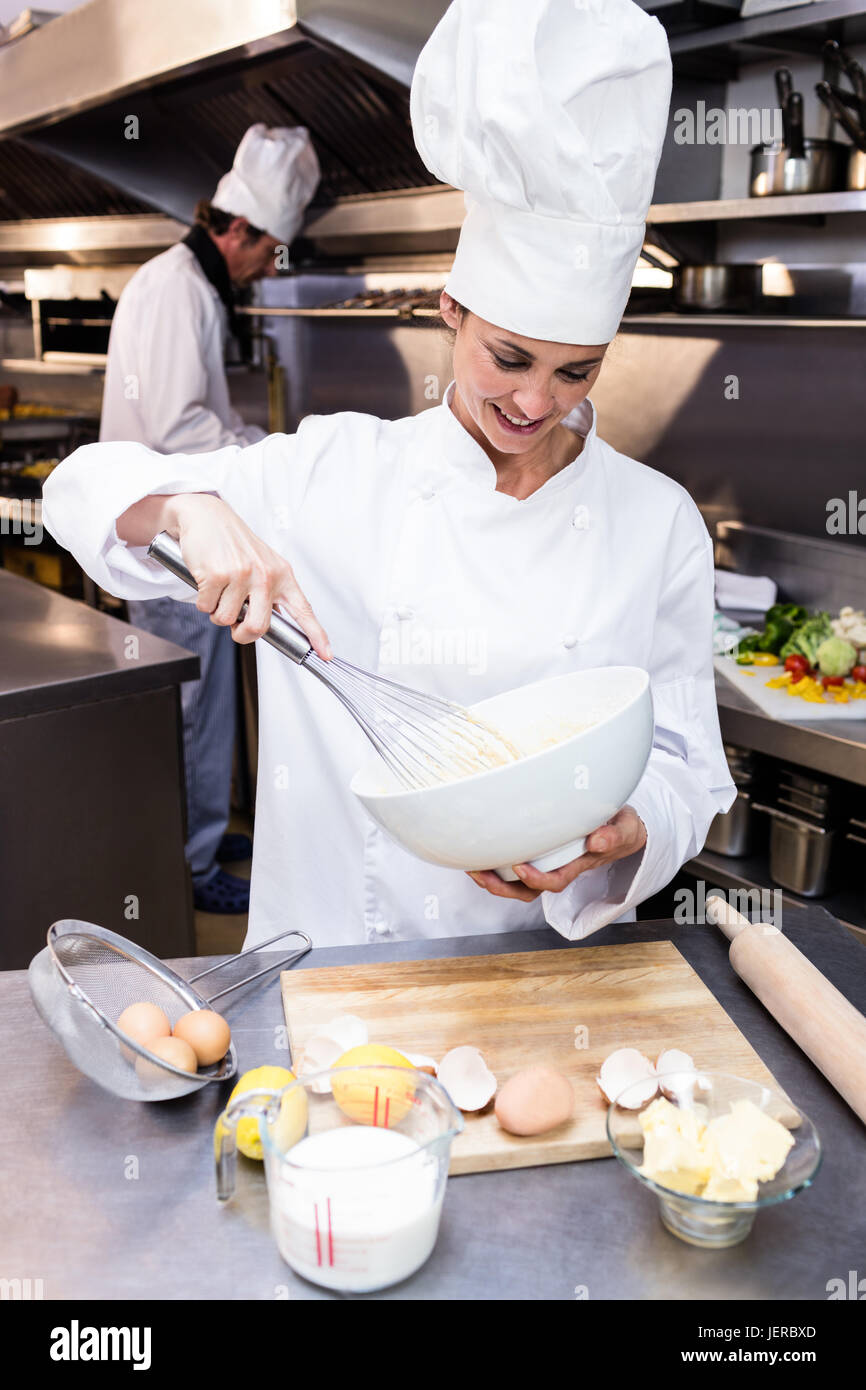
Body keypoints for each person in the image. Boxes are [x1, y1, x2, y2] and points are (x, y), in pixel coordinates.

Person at [43, 0, 736, 950]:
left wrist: (630, 831)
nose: (536, 403)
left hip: (540, 981)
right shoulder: (339, 470)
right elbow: (78, 486)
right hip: (331, 982)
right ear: (451, 311)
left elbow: (688, 764)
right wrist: (189, 505)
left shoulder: (657, 523)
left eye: (575, 370)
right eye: (509, 357)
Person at [99, 125, 320, 913]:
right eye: (267, 251)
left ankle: (202, 828)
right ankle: (191, 867)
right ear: (236, 228)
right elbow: (174, 426)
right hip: (168, 541)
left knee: (203, 702)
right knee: (193, 707)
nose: (269, 265)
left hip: (181, 534)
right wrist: (260, 454)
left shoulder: (187, 285)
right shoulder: (174, 289)